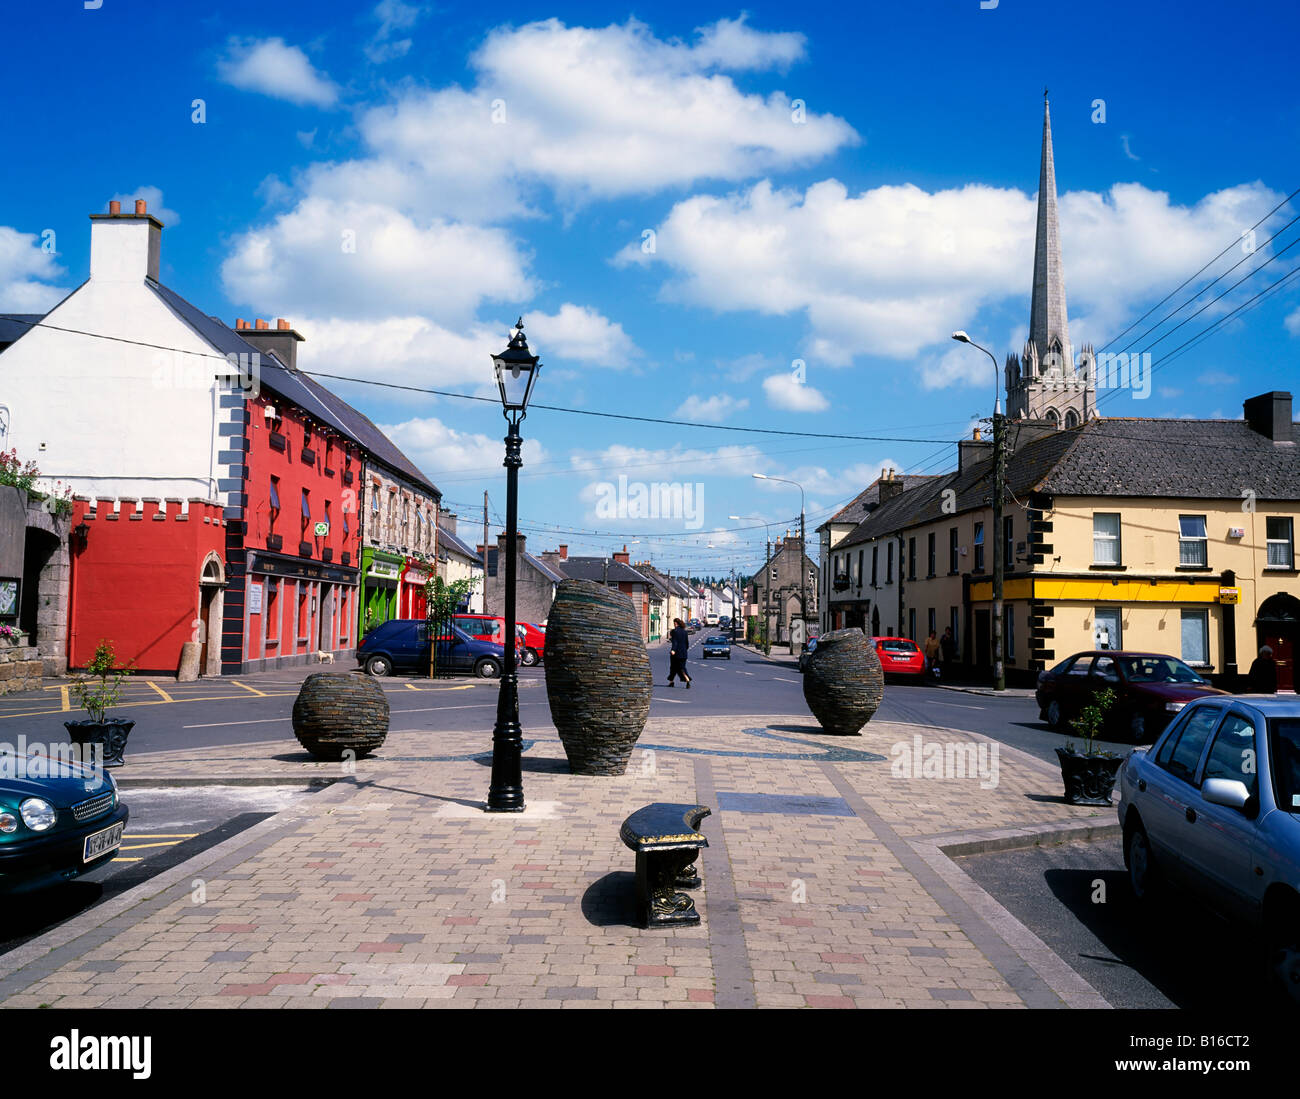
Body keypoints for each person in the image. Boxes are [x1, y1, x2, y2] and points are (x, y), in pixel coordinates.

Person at [667, 618, 692, 688]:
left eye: (674, 623)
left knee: (673, 668)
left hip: (676, 654)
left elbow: (675, 642)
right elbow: (687, 643)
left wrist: (673, 650)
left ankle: (687, 679)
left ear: (675, 623)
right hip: (684, 653)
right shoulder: (684, 632)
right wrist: (684, 650)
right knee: (681, 667)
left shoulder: (675, 631)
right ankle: (671, 682)